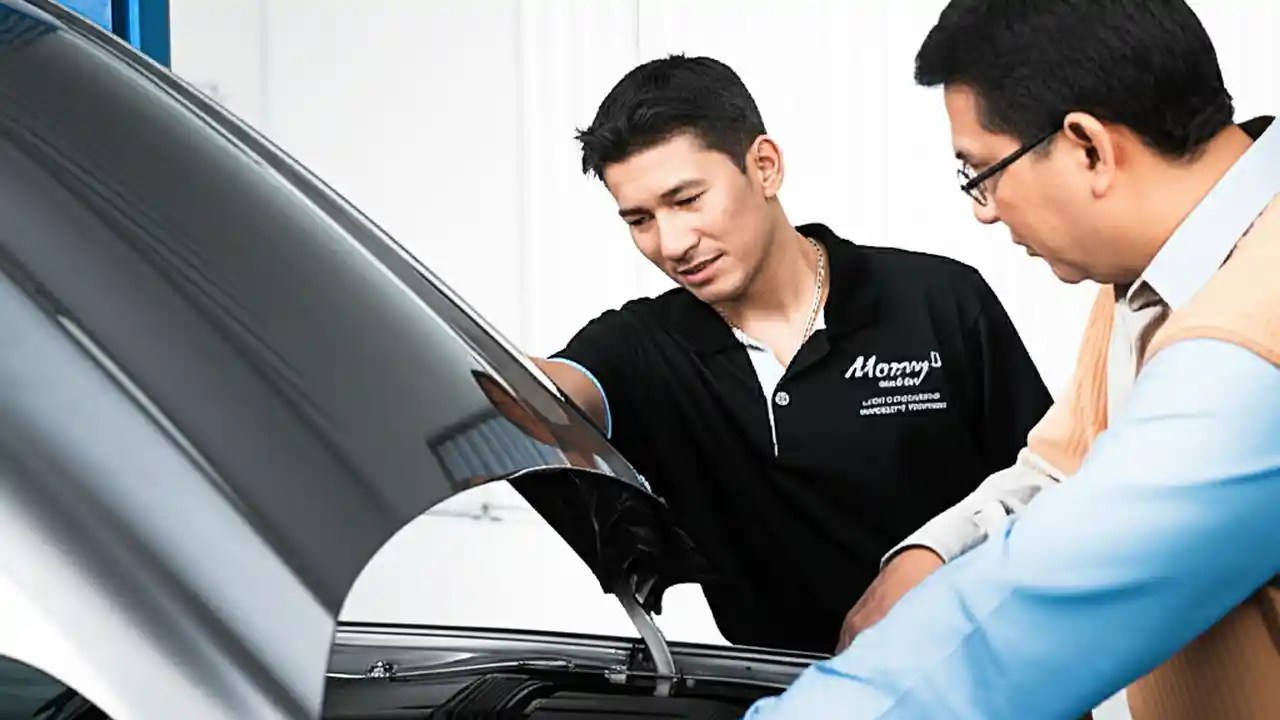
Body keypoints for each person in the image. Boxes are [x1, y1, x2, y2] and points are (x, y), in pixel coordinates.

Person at [745, 0, 1280, 718]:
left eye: (981, 173)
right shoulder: (1160, 269)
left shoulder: (1254, 324)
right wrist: (932, 555)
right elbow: (1068, 465)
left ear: (1088, 146)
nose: (984, 210)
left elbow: (1059, 590)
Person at [528, 54, 1051, 656]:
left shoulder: (938, 300)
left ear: (764, 166)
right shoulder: (638, 346)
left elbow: (1051, 493)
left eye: (688, 200)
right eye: (640, 219)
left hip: (994, 678)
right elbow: (552, 393)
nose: (671, 244)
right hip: (788, 697)